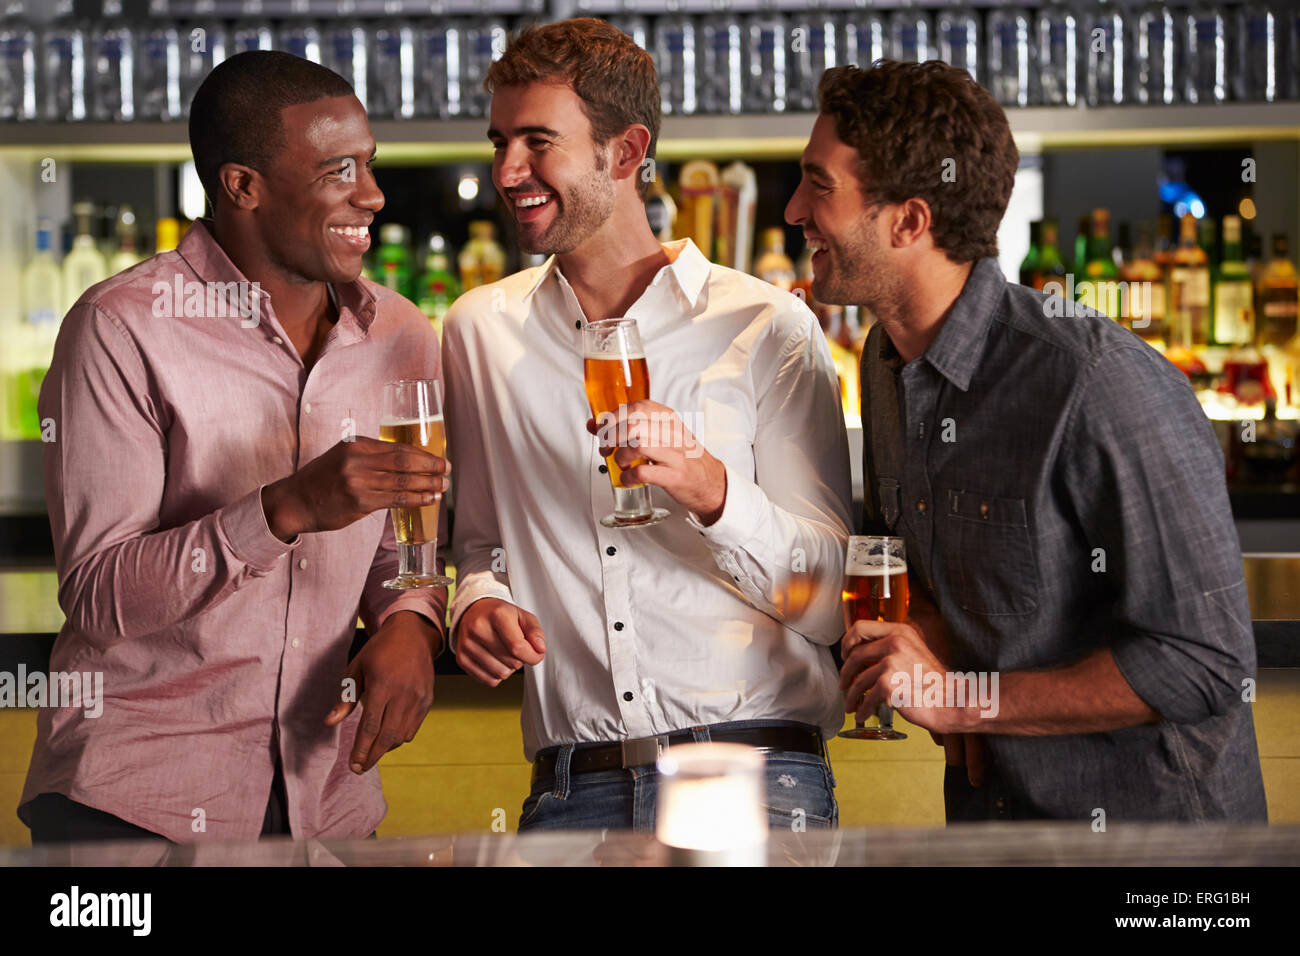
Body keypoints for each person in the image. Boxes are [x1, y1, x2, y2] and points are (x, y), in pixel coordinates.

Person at [786, 59, 1267, 821]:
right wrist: (927, 637)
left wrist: (960, 700)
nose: (792, 211)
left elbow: (1204, 662)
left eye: (819, 186)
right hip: (994, 826)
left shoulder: (1097, 381)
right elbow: (928, 580)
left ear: (909, 221)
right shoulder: (885, 366)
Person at [19, 51, 451, 843]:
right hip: (134, 806)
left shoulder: (401, 334)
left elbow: (404, 548)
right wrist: (286, 507)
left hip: (326, 799)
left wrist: (410, 624)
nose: (373, 195)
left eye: (372, 165)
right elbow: (99, 596)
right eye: (338, 170)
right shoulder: (120, 328)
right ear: (242, 186)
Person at [441, 19, 852, 831]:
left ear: (625, 152)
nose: (507, 171)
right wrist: (476, 602)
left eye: (536, 142)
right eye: (498, 143)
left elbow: (828, 599)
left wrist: (714, 492)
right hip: (570, 786)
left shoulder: (767, 323)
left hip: (753, 774)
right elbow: (480, 545)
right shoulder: (478, 329)